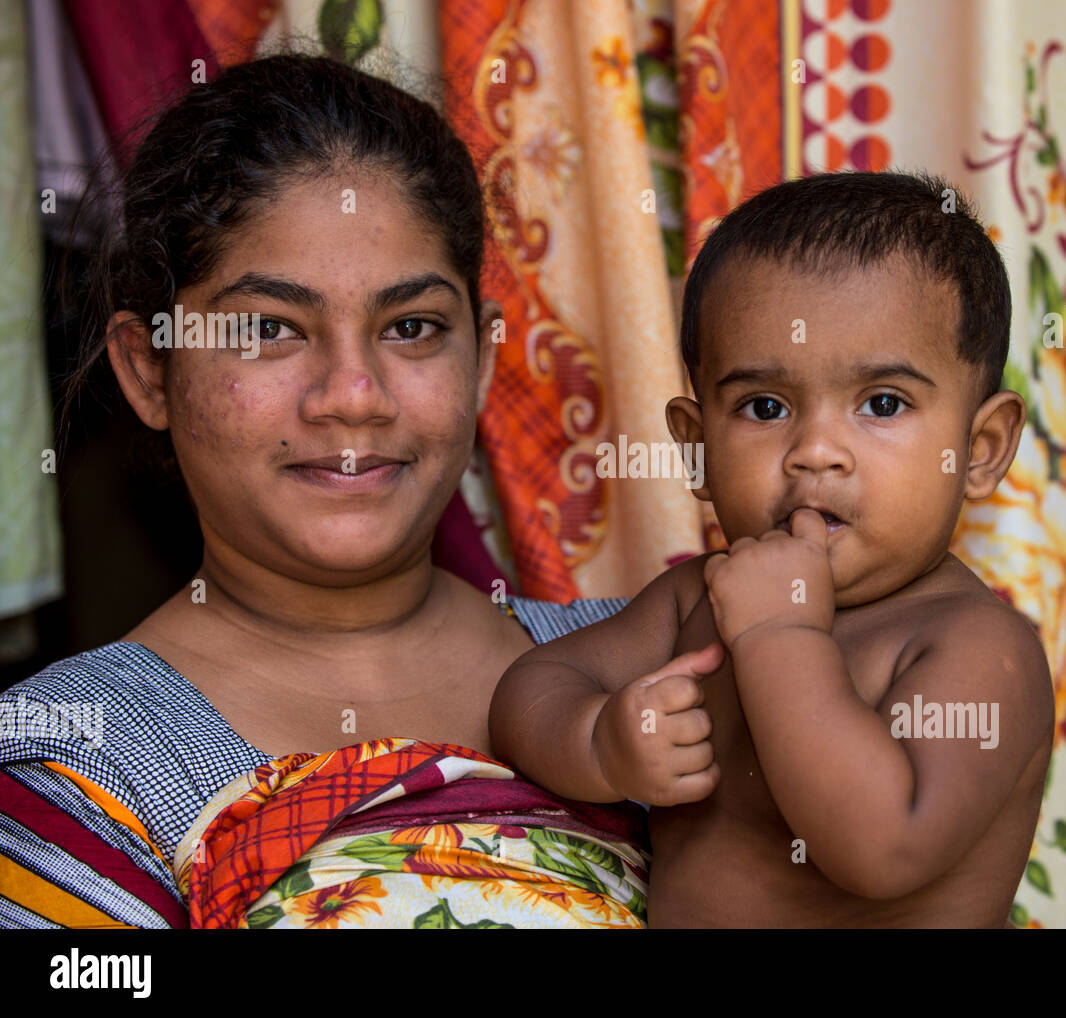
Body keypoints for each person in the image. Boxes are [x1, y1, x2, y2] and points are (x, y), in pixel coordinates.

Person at [0, 54, 647, 930]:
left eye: (412, 327)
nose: (353, 393)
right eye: (271, 329)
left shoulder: (646, 684)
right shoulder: (73, 758)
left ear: (484, 356)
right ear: (148, 369)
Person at [490, 171, 1056, 928]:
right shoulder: (699, 596)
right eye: (765, 407)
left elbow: (884, 846)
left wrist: (780, 635)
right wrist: (602, 742)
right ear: (695, 450)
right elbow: (533, 685)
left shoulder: (979, 647)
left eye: (881, 404)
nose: (815, 451)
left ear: (980, 449)